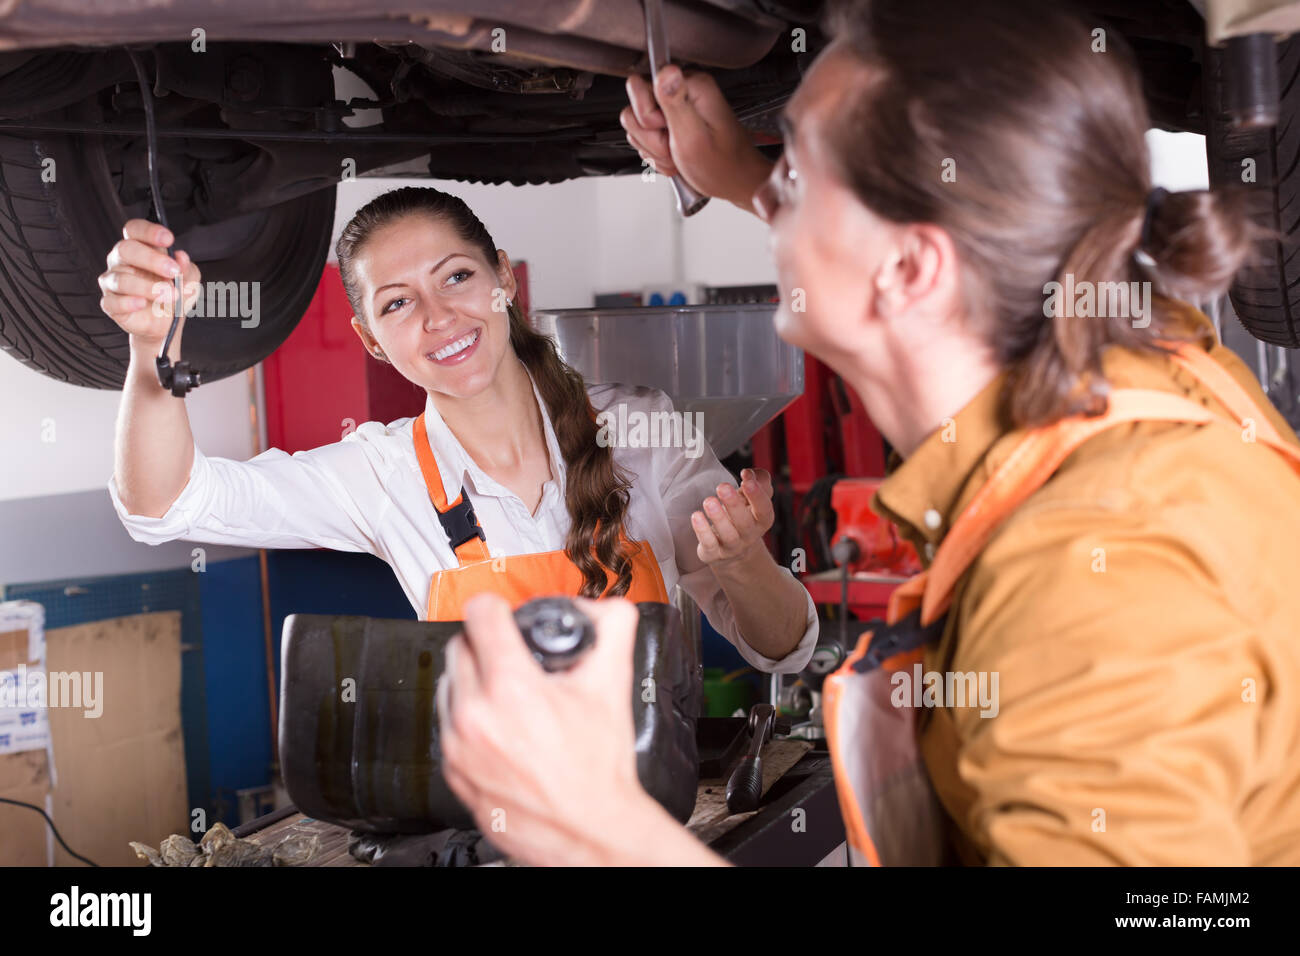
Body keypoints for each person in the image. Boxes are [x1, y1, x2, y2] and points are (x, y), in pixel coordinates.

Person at [437, 0, 1300, 866]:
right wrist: (741, 175)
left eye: (795, 174)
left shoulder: (1087, 580)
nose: (772, 191)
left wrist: (605, 836)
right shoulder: (1136, 353)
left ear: (912, 268)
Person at [102, 186, 818, 671]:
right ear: (372, 339)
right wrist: (149, 350)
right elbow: (163, 506)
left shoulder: (641, 429)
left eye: (455, 278)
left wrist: (741, 562)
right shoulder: (381, 475)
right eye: (397, 304)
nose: (438, 319)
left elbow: (782, 648)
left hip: (659, 820)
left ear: (502, 278)